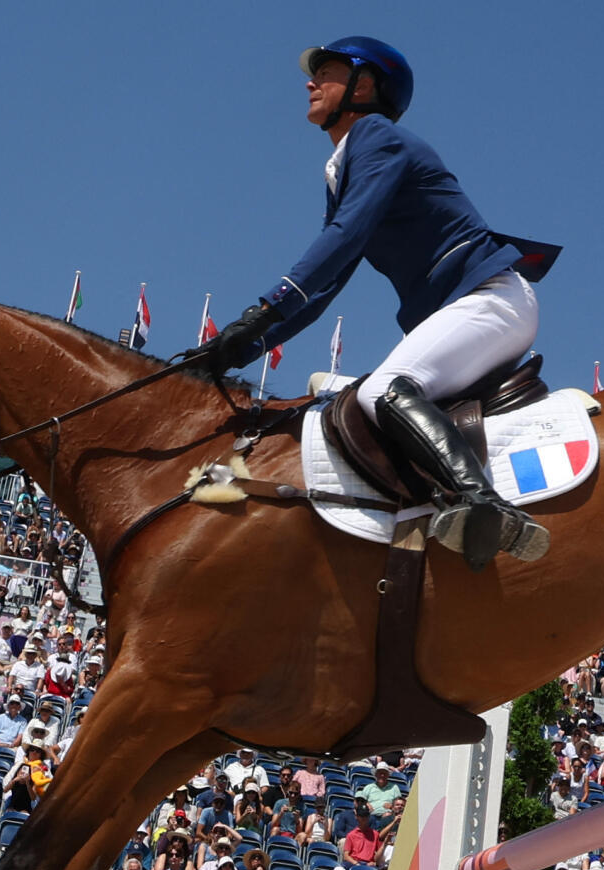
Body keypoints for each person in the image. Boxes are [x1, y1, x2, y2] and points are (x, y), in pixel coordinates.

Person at [191, 35, 558, 569]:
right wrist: (241, 348)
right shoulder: (346, 163)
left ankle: (482, 503)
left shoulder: (376, 137)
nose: (311, 83)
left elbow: (341, 238)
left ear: (363, 87)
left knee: (384, 388)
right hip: (474, 305)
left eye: (328, 73)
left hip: (490, 299)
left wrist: (263, 311)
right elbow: (325, 286)